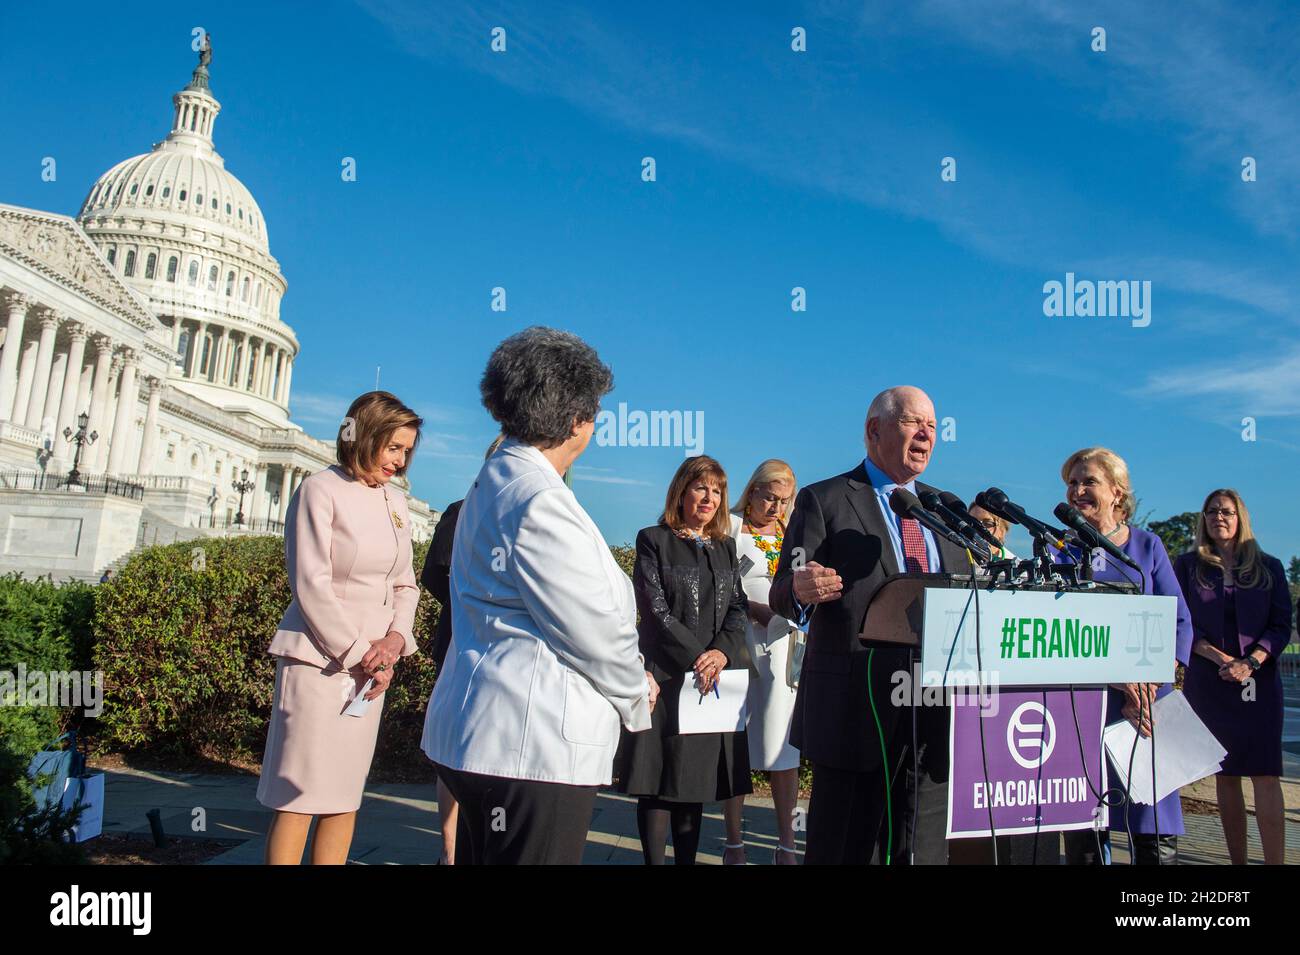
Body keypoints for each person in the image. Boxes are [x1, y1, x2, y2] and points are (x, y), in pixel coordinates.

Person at [421, 327, 657, 865]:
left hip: (486, 735)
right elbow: (592, 625)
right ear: (575, 419)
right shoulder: (540, 499)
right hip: (533, 744)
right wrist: (634, 692)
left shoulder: (493, 480)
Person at [768, 386, 969, 865]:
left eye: (933, 427)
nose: (925, 434)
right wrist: (800, 589)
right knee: (846, 846)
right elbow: (781, 591)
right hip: (853, 704)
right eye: (911, 422)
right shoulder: (826, 499)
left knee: (921, 842)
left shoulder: (947, 509)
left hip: (934, 705)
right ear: (874, 429)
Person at [257, 391, 423, 864]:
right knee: (300, 794)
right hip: (318, 664)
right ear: (364, 436)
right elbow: (310, 584)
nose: (400, 460)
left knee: (345, 795)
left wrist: (393, 643)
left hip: (373, 673)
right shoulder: (318, 490)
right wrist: (358, 653)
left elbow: (405, 584)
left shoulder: (396, 501)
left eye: (407, 450)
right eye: (393, 447)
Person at [1055, 447, 1192, 865]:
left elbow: (1180, 621)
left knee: (1151, 819)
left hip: (1145, 709)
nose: (1077, 490)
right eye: (1072, 482)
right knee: (1087, 819)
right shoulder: (1062, 552)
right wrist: (1115, 678)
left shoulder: (1148, 546)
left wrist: (1150, 683)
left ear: (1116, 492)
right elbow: (1059, 630)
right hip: (1087, 704)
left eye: (1088, 481)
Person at [618, 455, 752, 865]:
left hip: (709, 679)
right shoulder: (653, 539)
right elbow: (654, 609)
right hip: (665, 674)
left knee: (692, 782)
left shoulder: (726, 548)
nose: (709, 498)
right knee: (657, 782)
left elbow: (738, 607)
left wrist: (720, 653)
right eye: (701, 488)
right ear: (681, 490)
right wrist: (698, 656)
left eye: (717, 491)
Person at [1174, 489, 1291, 865]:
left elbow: (1281, 625)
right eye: (1210, 512)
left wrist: (1251, 661)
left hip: (1258, 683)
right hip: (1209, 684)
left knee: (1265, 773)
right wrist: (1220, 658)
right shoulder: (1188, 566)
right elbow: (1180, 622)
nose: (1217, 517)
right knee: (1225, 775)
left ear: (1240, 517)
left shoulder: (1269, 566)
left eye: (1225, 511)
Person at [418, 434, 505, 865]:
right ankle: (449, 849)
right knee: (454, 748)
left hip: (501, 653)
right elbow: (434, 573)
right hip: (460, 643)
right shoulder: (460, 512)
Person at [721, 459, 801, 865]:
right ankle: (734, 841)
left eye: (784, 500)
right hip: (739, 644)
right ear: (752, 491)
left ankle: (787, 844)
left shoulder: (792, 534)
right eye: (770, 497)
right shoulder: (731, 527)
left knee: (783, 746)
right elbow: (717, 581)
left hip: (784, 650)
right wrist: (750, 608)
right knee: (736, 741)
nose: (776, 507)